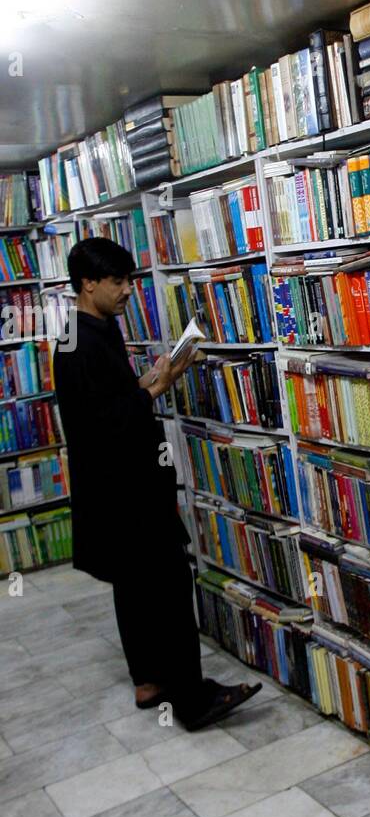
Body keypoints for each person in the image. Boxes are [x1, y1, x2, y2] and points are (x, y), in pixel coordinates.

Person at [53, 239, 261, 731]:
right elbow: (107, 423)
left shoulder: (90, 330)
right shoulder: (81, 341)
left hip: (115, 490)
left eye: (131, 280)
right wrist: (156, 389)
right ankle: (192, 700)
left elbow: (107, 402)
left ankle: (148, 681)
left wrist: (145, 382)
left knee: (134, 588)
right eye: (119, 281)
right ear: (88, 283)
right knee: (167, 587)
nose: (129, 290)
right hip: (127, 493)